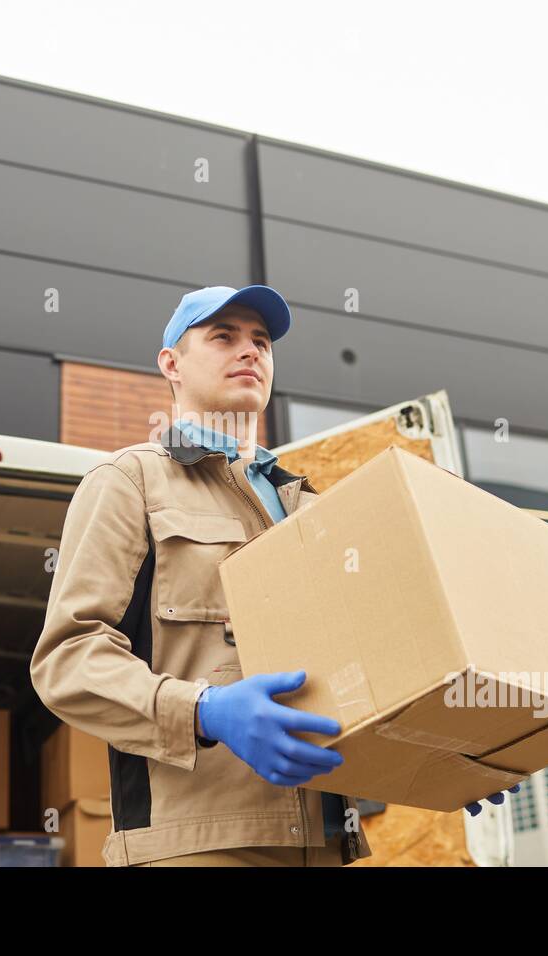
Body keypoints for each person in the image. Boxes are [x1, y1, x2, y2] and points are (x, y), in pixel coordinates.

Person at [30, 284, 515, 867]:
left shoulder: (312, 510)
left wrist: (450, 753)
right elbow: (67, 660)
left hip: (330, 847)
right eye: (223, 337)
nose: (250, 351)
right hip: (199, 850)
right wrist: (206, 710)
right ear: (171, 364)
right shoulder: (129, 482)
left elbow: (369, 668)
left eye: (261, 341)